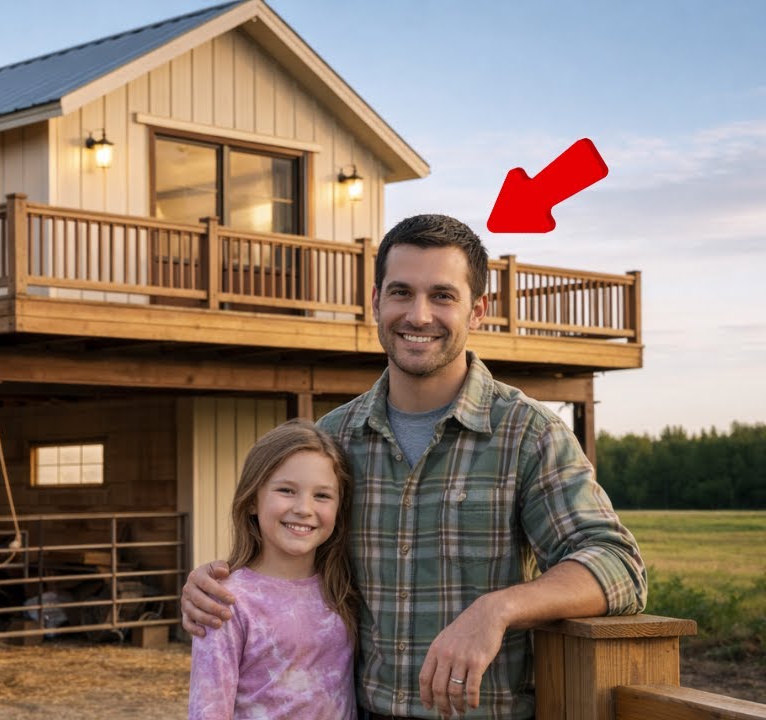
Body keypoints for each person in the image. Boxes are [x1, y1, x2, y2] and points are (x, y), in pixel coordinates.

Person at [182, 214, 647, 719]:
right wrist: (213, 583)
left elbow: (618, 566)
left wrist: (497, 610)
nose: (419, 315)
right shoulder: (334, 438)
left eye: (443, 296)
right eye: (401, 292)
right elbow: (288, 563)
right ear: (376, 301)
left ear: (478, 310)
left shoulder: (527, 434)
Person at [188, 419, 359, 720]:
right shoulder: (226, 600)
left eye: (322, 495)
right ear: (252, 499)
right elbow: (208, 710)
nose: (304, 508)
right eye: (286, 490)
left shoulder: (342, 588)